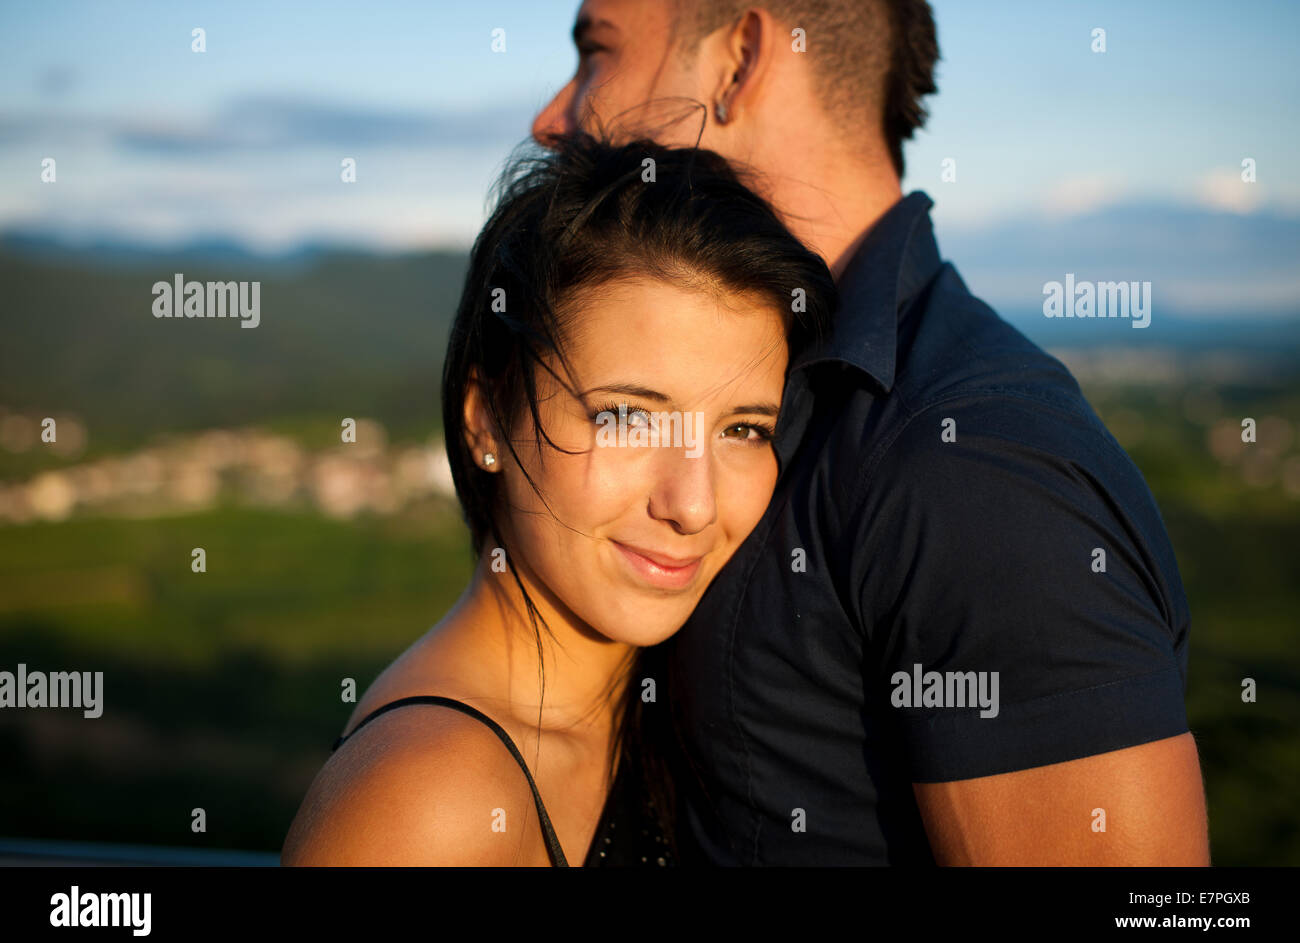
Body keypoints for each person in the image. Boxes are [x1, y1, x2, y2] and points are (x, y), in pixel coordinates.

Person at [530, 0, 1211, 864]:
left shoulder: (975, 468)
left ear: (739, 61)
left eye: (597, 52)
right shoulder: (780, 387)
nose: (551, 118)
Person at [280, 132, 836, 865]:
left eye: (742, 428)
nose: (693, 505)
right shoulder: (430, 800)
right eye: (626, 417)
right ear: (486, 417)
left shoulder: (670, 711)